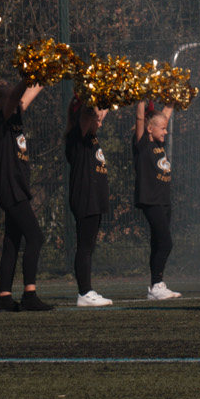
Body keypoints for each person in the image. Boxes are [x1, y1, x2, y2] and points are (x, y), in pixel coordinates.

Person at [0, 75, 52, 312]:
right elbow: (17, 96)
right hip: (9, 185)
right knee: (36, 237)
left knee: (13, 241)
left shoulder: (13, 116)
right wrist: (27, 77)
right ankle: (30, 294)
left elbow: (26, 96)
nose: (19, 101)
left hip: (15, 185)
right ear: (0, 102)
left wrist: (44, 74)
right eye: (12, 97)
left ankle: (4, 298)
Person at [66, 98, 113, 306]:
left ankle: (87, 291)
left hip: (94, 198)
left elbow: (101, 112)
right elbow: (88, 113)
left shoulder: (91, 137)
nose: (100, 122)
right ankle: (84, 293)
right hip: (84, 197)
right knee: (85, 247)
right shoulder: (77, 137)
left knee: (89, 246)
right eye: (96, 119)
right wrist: (89, 96)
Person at [132, 101, 180, 300]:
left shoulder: (159, 142)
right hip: (150, 200)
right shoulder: (143, 144)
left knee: (157, 243)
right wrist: (140, 98)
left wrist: (173, 97)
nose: (166, 131)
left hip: (163, 200)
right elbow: (140, 118)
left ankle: (155, 286)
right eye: (162, 128)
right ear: (150, 129)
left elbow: (165, 116)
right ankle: (157, 284)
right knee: (165, 242)